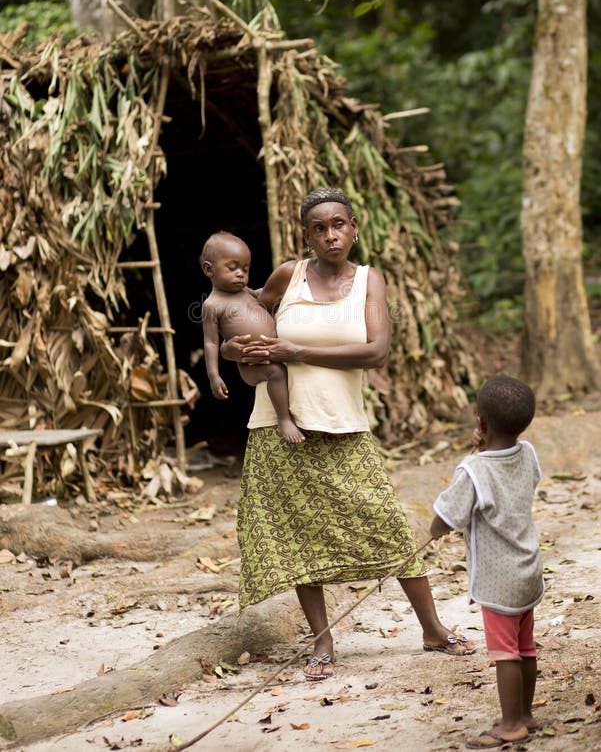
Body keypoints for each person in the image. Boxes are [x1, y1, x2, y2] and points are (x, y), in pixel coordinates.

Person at [221, 187, 474, 681]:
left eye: (339, 224)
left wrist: (294, 350)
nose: (330, 234)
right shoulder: (286, 276)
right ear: (307, 235)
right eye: (319, 227)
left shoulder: (368, 282)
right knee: (299, 537)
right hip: (279, 426)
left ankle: (433, 629)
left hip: (342, 425)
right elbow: (239, 318)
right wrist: (233, 350)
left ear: (354, 227)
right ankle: (322, 643)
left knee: (389, 524)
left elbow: (376, 352)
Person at [430, 374, 544, 749]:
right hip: (528, 570)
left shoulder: (474, 470)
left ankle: (511, 724)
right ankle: (525, 712)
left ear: (480, 423)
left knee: (505, 655)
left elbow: (448, 516)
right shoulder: (527, 453)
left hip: (498, 581)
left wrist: (433, 532)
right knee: (525, 648)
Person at [200, 231, 304, 444]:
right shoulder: (212, 305)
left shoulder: (245, 291)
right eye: (232, 268)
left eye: (245, 269)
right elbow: (210, 342)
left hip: (274, 351)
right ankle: (284, 419)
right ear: (209, 269)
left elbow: (265, 295)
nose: (240, 274)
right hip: (251, 364)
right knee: (276, 373)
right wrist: (213, 375)